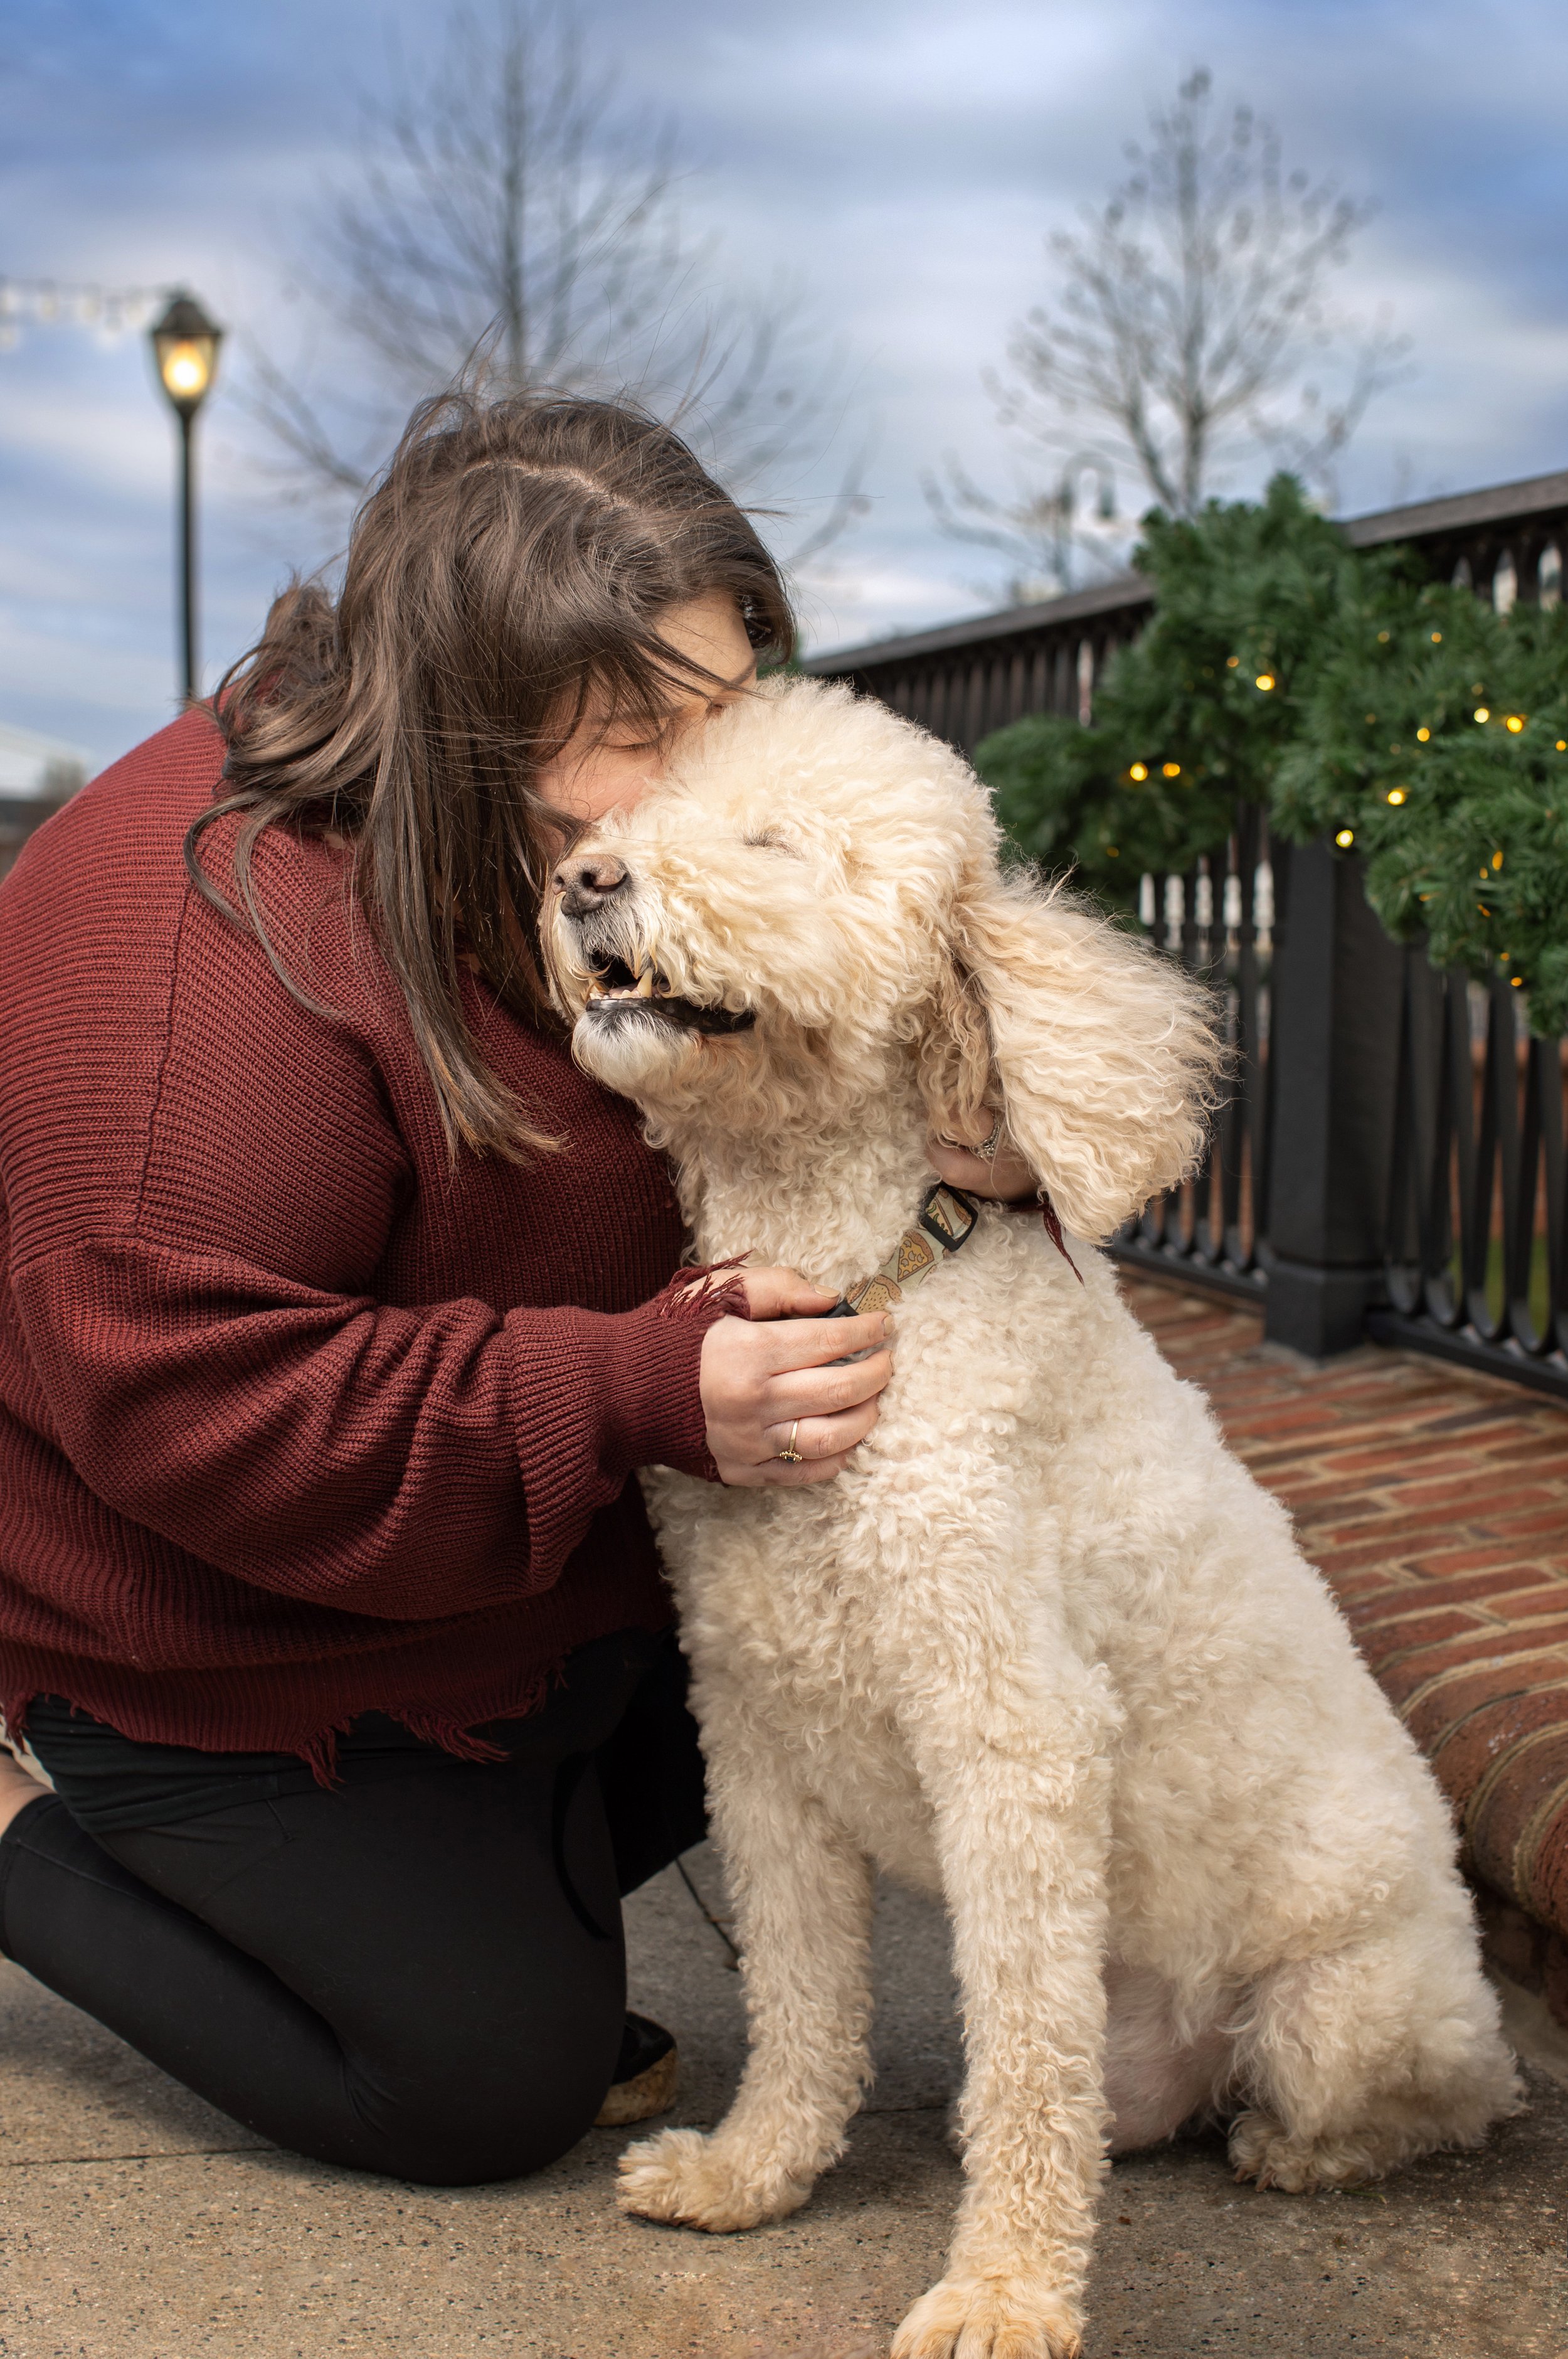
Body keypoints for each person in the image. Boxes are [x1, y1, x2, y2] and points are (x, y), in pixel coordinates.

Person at [0, 389, 1032, 2186]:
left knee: (841, 1681)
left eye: (731, 700)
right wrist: (628, 1395)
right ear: (467, 722)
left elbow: (833, 1080)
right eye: (645, 728)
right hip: (195, 1622)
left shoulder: (583, 852)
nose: (713, 768)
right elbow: (190, 1403)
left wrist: (993, 1121)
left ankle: (464, 1884)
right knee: (481, 2087)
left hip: (507, 1561)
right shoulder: (200, 949)